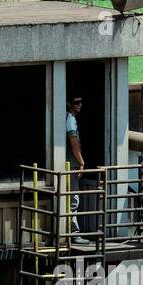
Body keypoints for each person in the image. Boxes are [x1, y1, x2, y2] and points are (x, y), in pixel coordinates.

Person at [66, 95, 85, 234]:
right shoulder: (70, 119)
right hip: (71, 165)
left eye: (81, 102)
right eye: (76, 102)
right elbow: (74, 143)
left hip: (69, 163)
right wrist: (81, 162)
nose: (80, 105)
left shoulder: (69, 118)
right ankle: (73, 233)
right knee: (73, 199)